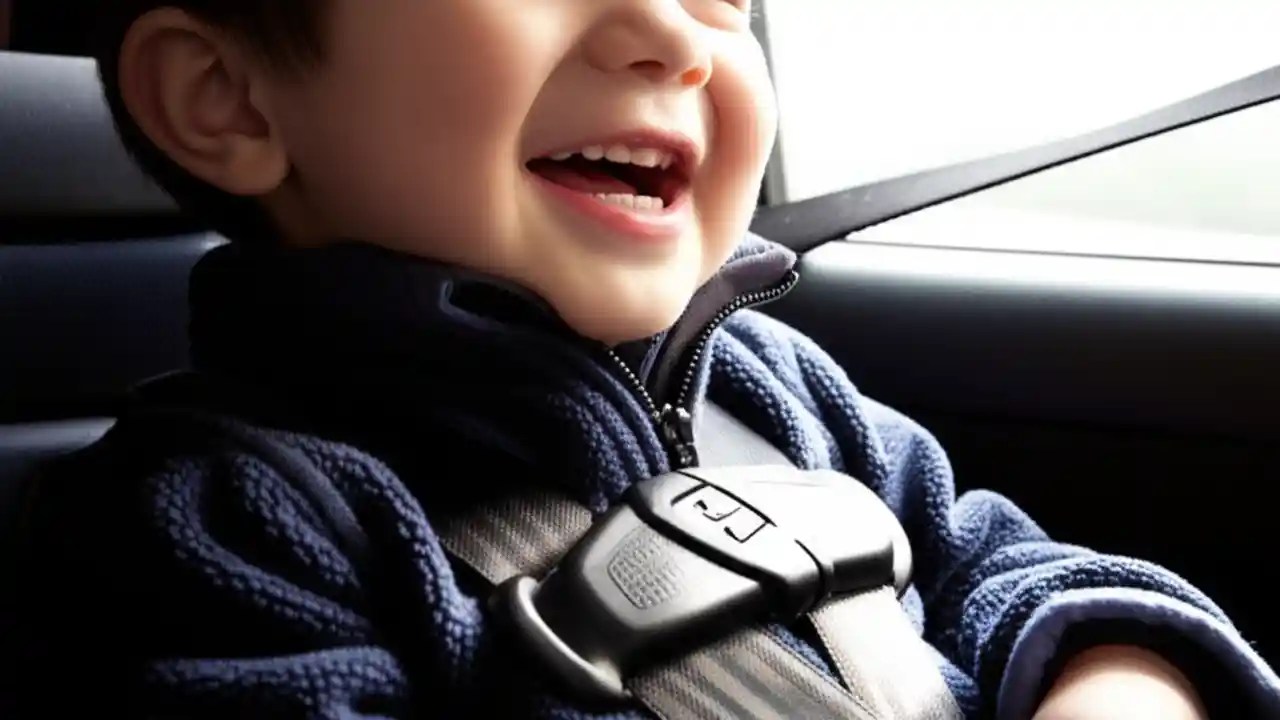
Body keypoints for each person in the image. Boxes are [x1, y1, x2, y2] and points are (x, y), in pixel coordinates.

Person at [13, 2, 1279, 718]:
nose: (674, 38)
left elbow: (994, 563)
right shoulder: (213, 527)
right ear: (228, 100)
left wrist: (1113, 677)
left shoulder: (771, 386)